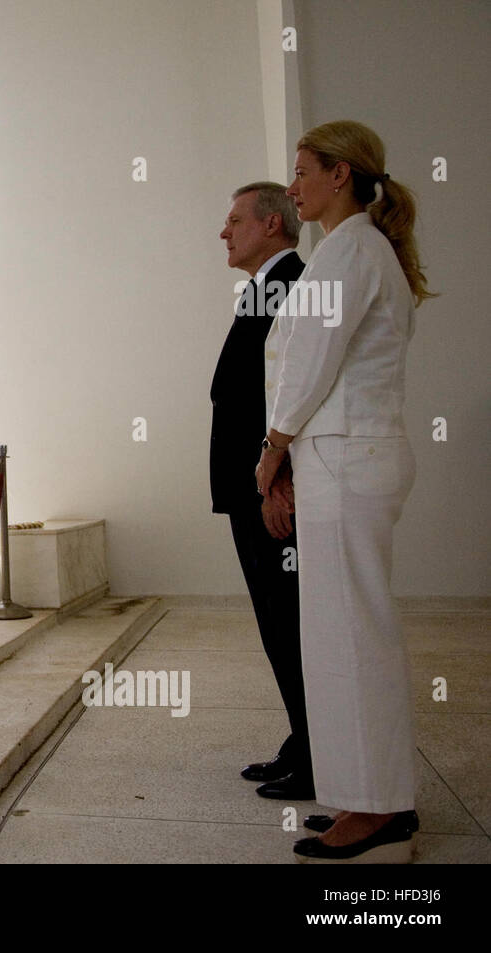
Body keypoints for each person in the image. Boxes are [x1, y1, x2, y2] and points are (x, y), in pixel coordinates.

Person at [256, 120, 434, 863]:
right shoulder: (353, 250)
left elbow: (310, 362)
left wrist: (273, 449)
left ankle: (379, 806)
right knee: (341, 635)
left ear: (341, 175)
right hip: (347, 455)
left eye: (302, 173)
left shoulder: (350, 250)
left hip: (345, 457)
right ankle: (367, 795)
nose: (293, 188)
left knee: (352, 637)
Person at [212, 183, 311, 800]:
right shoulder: (269, 286)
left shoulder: (291, 283)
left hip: (269, 490)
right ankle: (305, 741)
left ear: (270, 224)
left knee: (290, 622)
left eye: (234, 220)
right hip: (253, 485)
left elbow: (293, 392)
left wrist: (282, 479)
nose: (224, 232)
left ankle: (318, 752)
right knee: (277, 623)